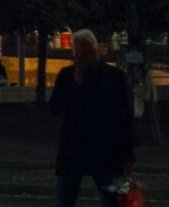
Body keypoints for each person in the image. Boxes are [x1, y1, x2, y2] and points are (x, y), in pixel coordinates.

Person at [50, 29, 133, 207]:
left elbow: (124, 117)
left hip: (103, 148)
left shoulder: (113, 77)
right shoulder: (67, 76)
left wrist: (127, 155)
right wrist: (76, 85)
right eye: (81, 55)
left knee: (109, 199)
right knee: (66, 199)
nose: (86, 59)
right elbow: (55, 107)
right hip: (75, 147)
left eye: (89, 54)